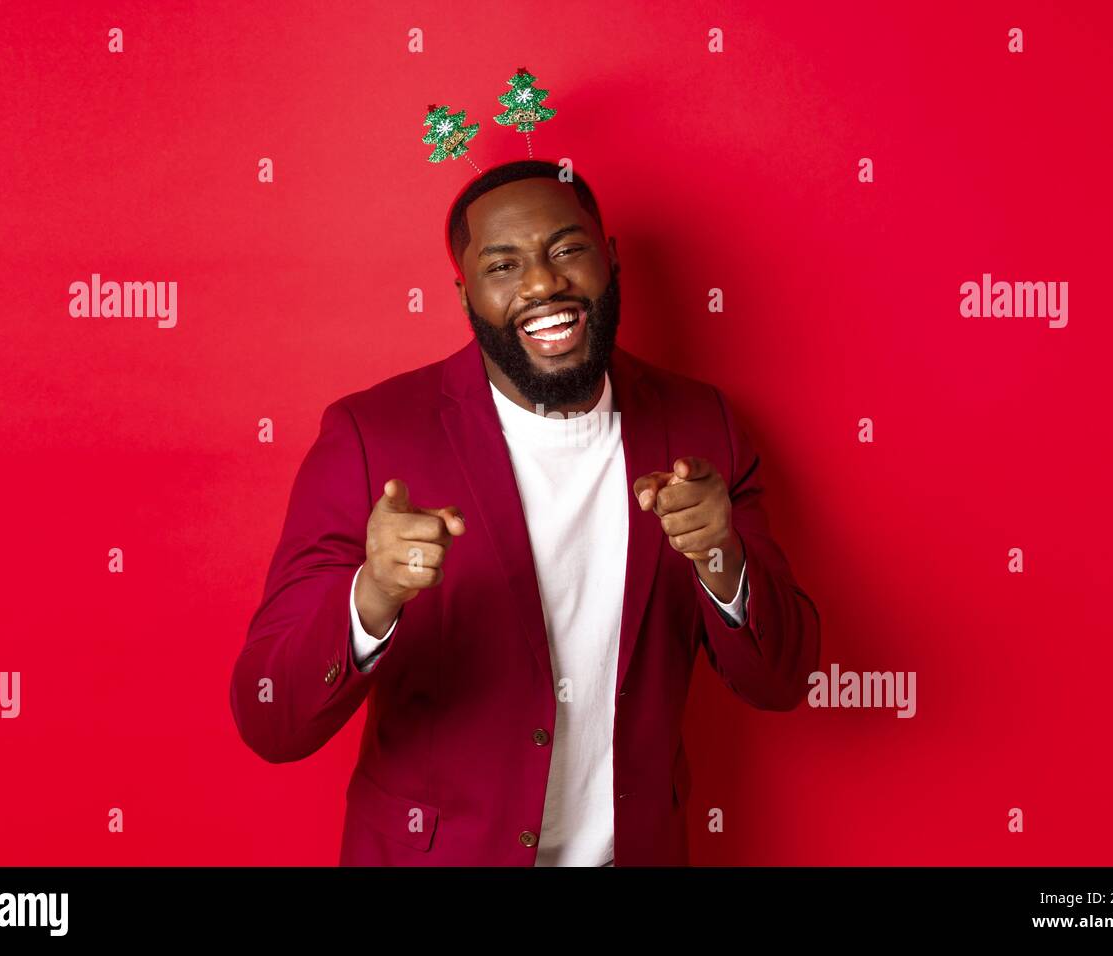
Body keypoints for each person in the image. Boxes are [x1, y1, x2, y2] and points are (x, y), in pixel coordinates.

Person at [228, 159, 821, 866]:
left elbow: (782, 679)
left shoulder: (705, 427)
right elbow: (270, 721)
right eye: (503, 265)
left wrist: (721, 557)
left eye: (567, 250)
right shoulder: (370, 436)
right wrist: (373, 597)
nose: (542, 284)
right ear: (466, 293)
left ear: (611, 259)